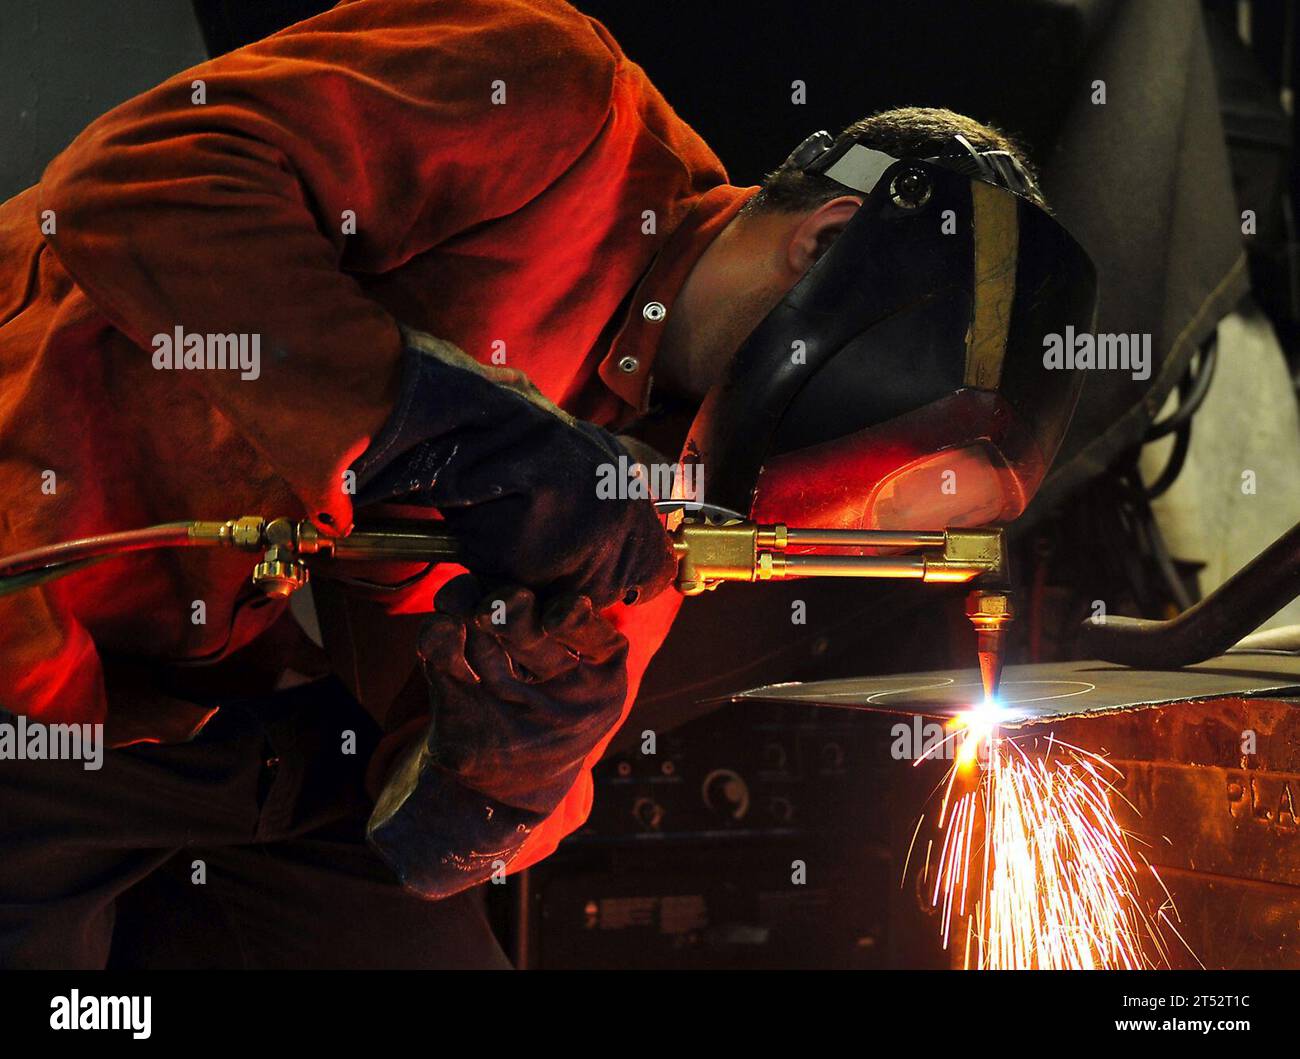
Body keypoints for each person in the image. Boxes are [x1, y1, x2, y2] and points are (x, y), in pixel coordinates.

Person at [0, 0, 1045, 968]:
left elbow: (442, 816)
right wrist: (451, 428)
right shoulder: (556, 101)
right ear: (819, 244)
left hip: (203, 699)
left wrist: (507, 756)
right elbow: (140, 193)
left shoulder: (657, 474)